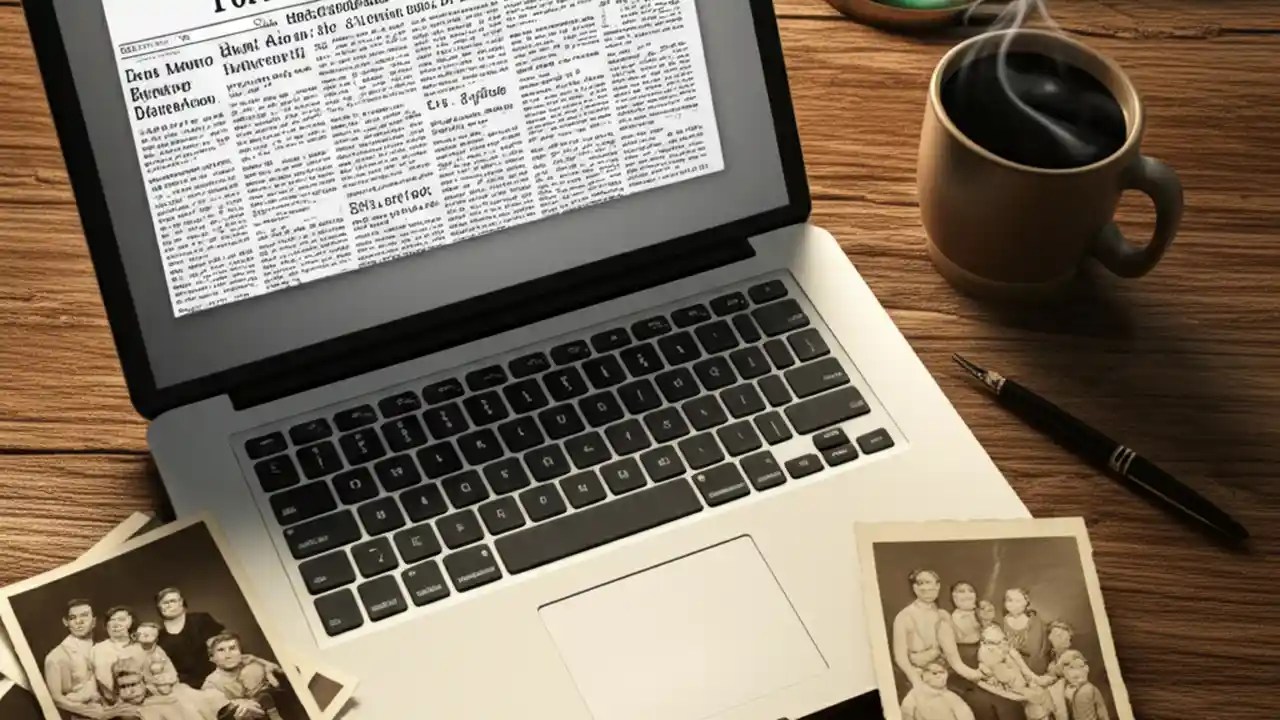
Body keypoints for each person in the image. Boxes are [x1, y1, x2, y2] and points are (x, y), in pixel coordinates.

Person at [44, 599, 138, 720]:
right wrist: (96, 713)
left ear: (94, 621)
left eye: (84, 615)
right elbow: (56, 698)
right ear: (66, 622)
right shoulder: (56, 656)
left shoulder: (103, 647)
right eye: (73, 618)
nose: (79, 622)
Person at [975, 625, 1054, 720]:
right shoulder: (987, 657)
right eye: (996, 643)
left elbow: (1025, 671)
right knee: (1035, 699)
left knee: (1043, 693)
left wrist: (1032, 680)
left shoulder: (1008, 651)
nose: (1002, 645)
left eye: (1004, 640)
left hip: (1023, 685)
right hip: (1013, 690)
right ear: (985, 643)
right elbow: (1004, 680)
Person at [154, 588, 225, 690]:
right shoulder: (157, 635)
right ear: (159, 607)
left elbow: (221, 648)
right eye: (164, 603)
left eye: (173, 601)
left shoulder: (201, 620)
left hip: (216, 679)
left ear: (181, 602)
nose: (169, 605)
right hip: (183, 687)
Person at [201, 633, 284, 720]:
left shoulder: (252, 665)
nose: (228, 655)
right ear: (212, 658)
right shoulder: (211, 685)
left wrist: (267, 668)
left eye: (233, 648)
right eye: (221, 650)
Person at [892, 570, 952, 688]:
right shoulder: (904, 617)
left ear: (937, 586)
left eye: (929, 583)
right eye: (921, 583)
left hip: (945, 674)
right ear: (914, 588)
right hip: (916, 676)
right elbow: (901, 658)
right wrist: (916, 681)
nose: (926, 588)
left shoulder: (943, 615)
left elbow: (951, 653)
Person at [93, 606, 144, 703]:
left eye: (121, 619)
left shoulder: (141, 648)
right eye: (112, 620)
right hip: (110, 705)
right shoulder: (97, 650)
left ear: (131, 623)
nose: (116, 624)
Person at [901, 660, 976, 720]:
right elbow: (906, 714)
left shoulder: (952, 698)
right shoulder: (914, 695)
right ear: (924, 675)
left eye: (942, 672)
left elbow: (967, 717)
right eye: (934, 673)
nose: (940, 676)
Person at [1002, 588, 1050, 675]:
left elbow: (1034, 652)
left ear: (1026, 602)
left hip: (1030, 667)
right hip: (1008, 666)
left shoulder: (1034, 622)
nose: (1014, 605)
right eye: (1010, 600)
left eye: (1018, 601)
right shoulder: (1004, 621)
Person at [1060, 650, 1110, 720]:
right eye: (1071, 668)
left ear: (1086, 668)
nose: (1075, 672)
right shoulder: (1088, 689)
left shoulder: (1085, 691)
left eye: (1079, 666)